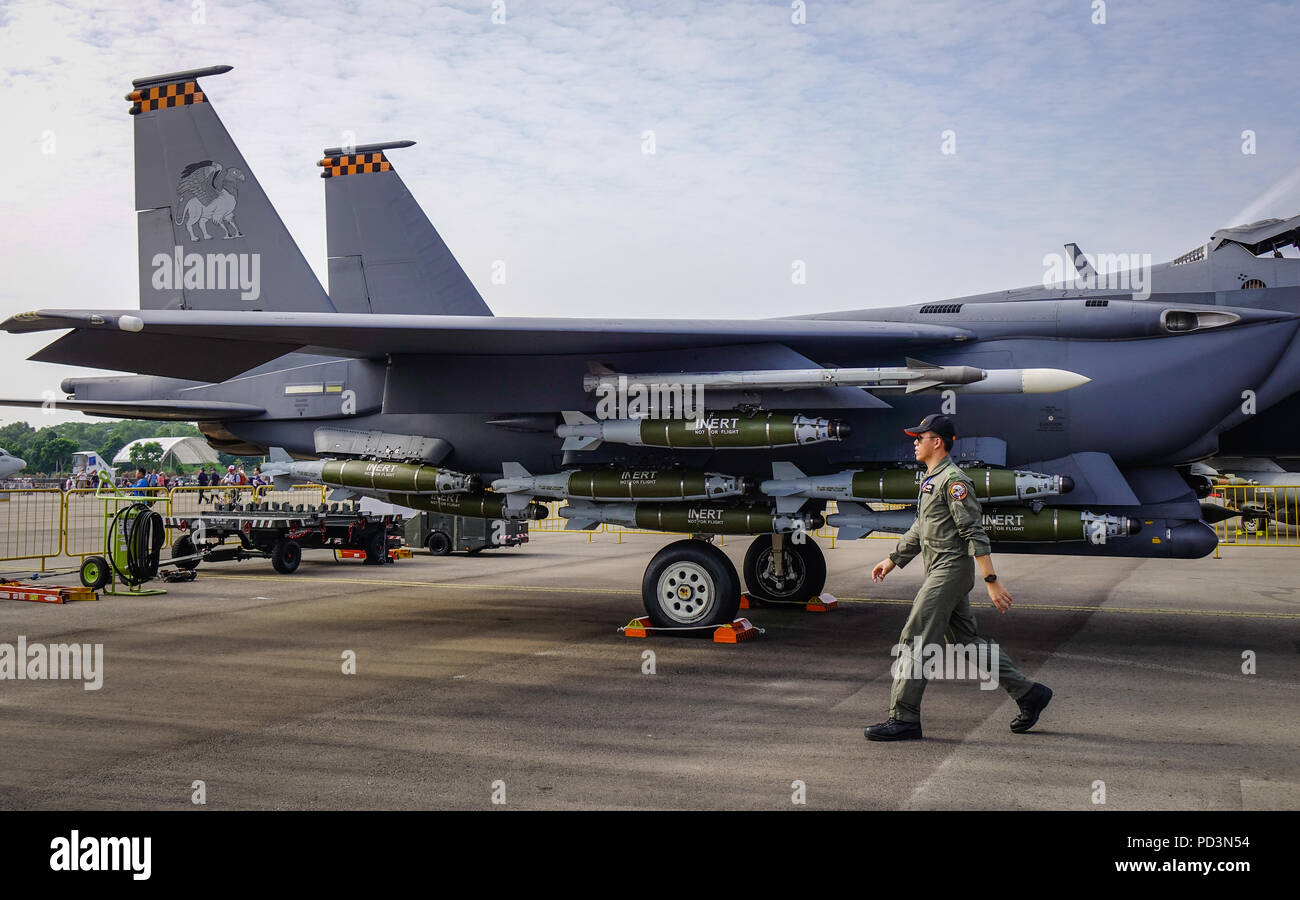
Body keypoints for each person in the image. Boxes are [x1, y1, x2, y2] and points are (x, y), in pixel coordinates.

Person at [865, 413, 1052, 741]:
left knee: (916, 637)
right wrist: (893, 559)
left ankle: (904, 718)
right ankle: (1029, 693)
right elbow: (921, 527)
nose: (915, 443)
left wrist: (991, 581)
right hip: (941, 569)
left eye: (920, 438)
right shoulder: (932, 479)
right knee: (966, 641)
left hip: (949, 571)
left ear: (936, 442)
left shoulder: (954, 482)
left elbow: (973, 532)